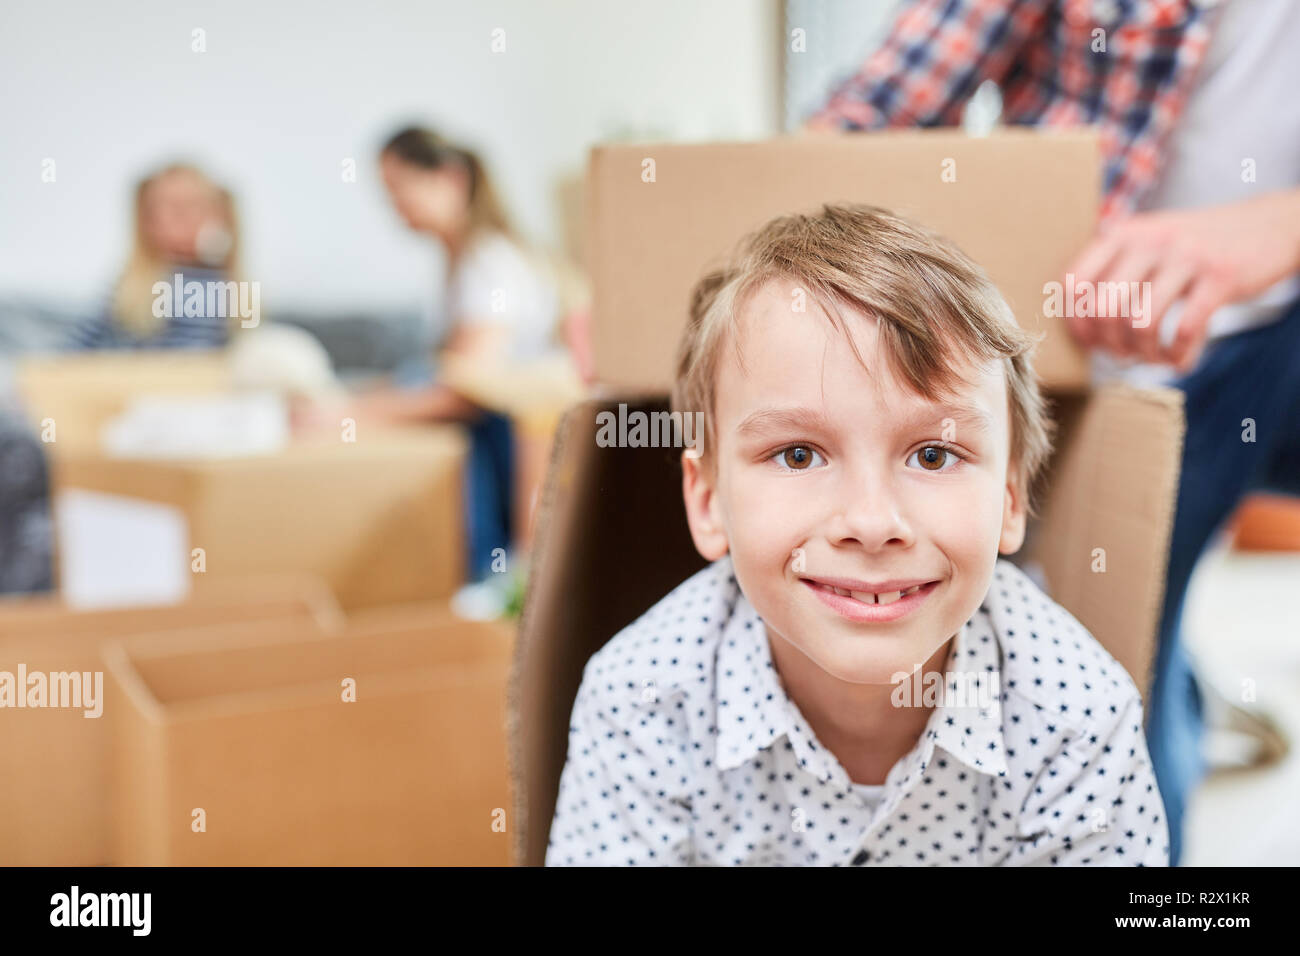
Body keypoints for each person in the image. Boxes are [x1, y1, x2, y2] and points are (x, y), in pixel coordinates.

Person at [802, 0, 1300, 867]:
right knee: (1121, 657)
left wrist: (1278, 227)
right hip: (1093, 356)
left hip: (1275, 330)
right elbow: (872, 114)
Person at [546, 204, 1167, 866]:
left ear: (1011, 500)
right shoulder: (641, 700)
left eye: (933, 455)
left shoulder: (1076, 715)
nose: (871, 524)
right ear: (707, 501)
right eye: (798, 455)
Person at [304, 126, 564, 617]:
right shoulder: (463, 261)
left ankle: (489, 577)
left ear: (449, 177)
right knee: (409, 376)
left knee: (434, 404)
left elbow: (467, 391)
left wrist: (352, 415)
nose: (396, 208)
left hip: (513, 439)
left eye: (401, 188)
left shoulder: (491, 267)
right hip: (500, 427)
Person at [70, 163, 243, 350]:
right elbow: (73, 350)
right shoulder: (125, 291)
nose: (183, 216)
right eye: (171, 206)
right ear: (148, 220)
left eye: (195, 205)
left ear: (221, 215)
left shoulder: (233, 290)